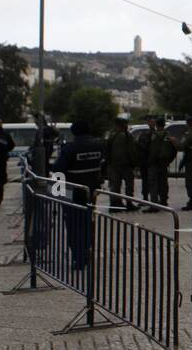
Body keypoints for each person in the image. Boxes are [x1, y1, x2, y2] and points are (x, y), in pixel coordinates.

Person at [53, 119, 105, 273]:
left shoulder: (70, 148)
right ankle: (87, 251)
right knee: (87, 221)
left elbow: (58, 168)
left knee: (74, 225)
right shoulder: (99, 145)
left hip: (73, 191)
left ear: (74, 132)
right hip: (91, 190)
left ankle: (79, 258)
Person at [143, 117, 177, 212]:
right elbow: (174, 150)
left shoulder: (155, 135)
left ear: (157, 125)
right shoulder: (168, 135)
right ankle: (164, 201)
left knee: (153, 183)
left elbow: (153, 150)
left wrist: (150, 161)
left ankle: (154, 205)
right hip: (164, 163)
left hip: (155, 162)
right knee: (163, 182)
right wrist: (169, 160)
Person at [104, 116, 138, 210]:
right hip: (126, 165)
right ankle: (129, 203)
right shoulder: (126, 136)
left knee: (115, 185)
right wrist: (134, 163)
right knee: (129, 185)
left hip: (114, 165)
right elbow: (132, 151)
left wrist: (109, 162)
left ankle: (115, 203)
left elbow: (106, 150)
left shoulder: (111, 135)